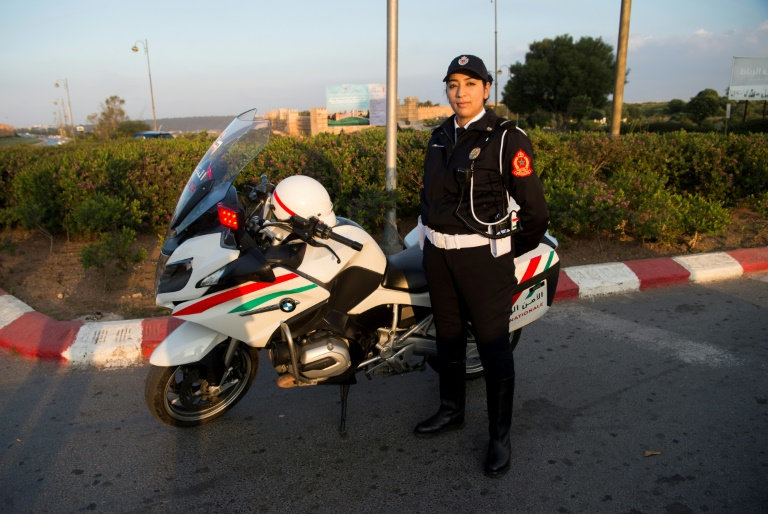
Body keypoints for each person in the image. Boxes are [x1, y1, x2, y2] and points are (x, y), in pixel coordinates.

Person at [415, 54, 549, 477]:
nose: (460, 92)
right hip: (439, 255)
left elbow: (535, 212)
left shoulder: (507, 137)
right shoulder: (439, 136)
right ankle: (452, 410)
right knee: (449, 339)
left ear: (487, 89)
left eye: (470, 83)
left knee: (492, 347)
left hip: (483, 257)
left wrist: (510, 249)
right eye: (453, 84)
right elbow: (429, 197)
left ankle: (499, 438)